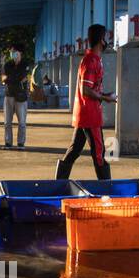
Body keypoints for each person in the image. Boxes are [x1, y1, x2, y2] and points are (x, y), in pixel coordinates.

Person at [55, 24, 116, 179]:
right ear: (101, 40)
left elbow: (91, 88)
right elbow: (86, 90)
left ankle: (59, 182)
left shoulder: (93, 60)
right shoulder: (91, 61)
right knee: (99, 153)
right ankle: (105, 188)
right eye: (106, 37)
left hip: (85, 113)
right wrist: (105, 98)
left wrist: (105, 95)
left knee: (75, 149)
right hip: (90, 114)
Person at [2, 44, 30, 148]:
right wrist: (16, 78)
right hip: (9, 95)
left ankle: (20, 143)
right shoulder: (7, 65)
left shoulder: (25, 64)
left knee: (22, 122)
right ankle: (8, 143)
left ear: (20, 53)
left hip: (21, 97)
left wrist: (11, 78)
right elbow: (4, 78)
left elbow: (22, 75)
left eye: (15, 52)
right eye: (11, 52)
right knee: (7, 122)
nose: (12, 54)